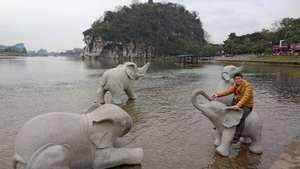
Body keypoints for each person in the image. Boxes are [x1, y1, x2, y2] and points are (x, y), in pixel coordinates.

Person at [212, 72, 254, 143]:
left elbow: (245, 98)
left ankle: (236, 138)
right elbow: (228, 91)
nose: (238, 80)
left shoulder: (248, 86)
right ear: (234, 80)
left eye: (239, 78)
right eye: (236, 79)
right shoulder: (235, 85)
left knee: (241, 117)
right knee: (226, 111)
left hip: (247, 105)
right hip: (237, 103)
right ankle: (222, 126)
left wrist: (238, 106)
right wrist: (217, 94)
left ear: (242, 78)